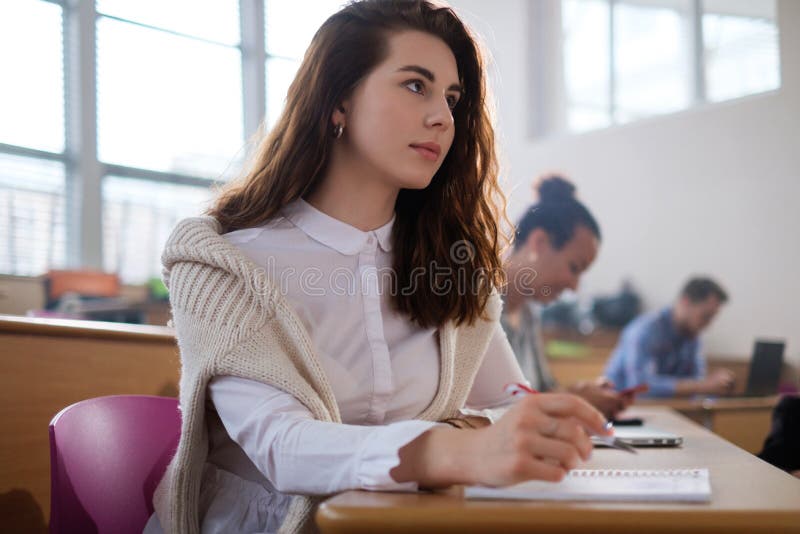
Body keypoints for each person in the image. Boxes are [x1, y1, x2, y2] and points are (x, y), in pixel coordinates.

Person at [146, 2, 610, 532]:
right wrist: (457, 446)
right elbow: (283, 447)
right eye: (416, 86)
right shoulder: (225, 264)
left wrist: (505, 430)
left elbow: (512, 403)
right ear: (339, 99)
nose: (442, 117)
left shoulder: (453, 268)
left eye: (452, 99)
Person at [502, 176, 631, 419]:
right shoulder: (476, 308)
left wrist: (584, 393)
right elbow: (486, 409)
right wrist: (574, 399)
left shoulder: (528, 314)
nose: (574, 286)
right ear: (539, 242)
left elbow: (542, 390)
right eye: (574, 267)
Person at [604, 277, 735, 397]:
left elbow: (696, 384)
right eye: (705, 316)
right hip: (620, 411)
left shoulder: (692, 337)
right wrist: (703, 386)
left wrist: (714, 387)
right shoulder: (645, 330)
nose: (707, 325)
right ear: (685, 302)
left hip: (661, 412)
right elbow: (639, 387)